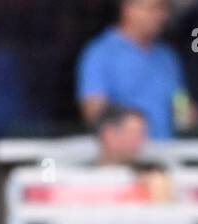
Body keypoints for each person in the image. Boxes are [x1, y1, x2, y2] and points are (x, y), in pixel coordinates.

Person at [76, 0, 190, 140]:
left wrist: (186, 112)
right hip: (123, 155)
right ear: (128, 9)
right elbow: (93, 110)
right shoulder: (100, 53)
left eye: (163, 10)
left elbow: (180, 101)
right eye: (152, 9)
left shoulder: (167, 57)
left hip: (166, 153)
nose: (160, 16)